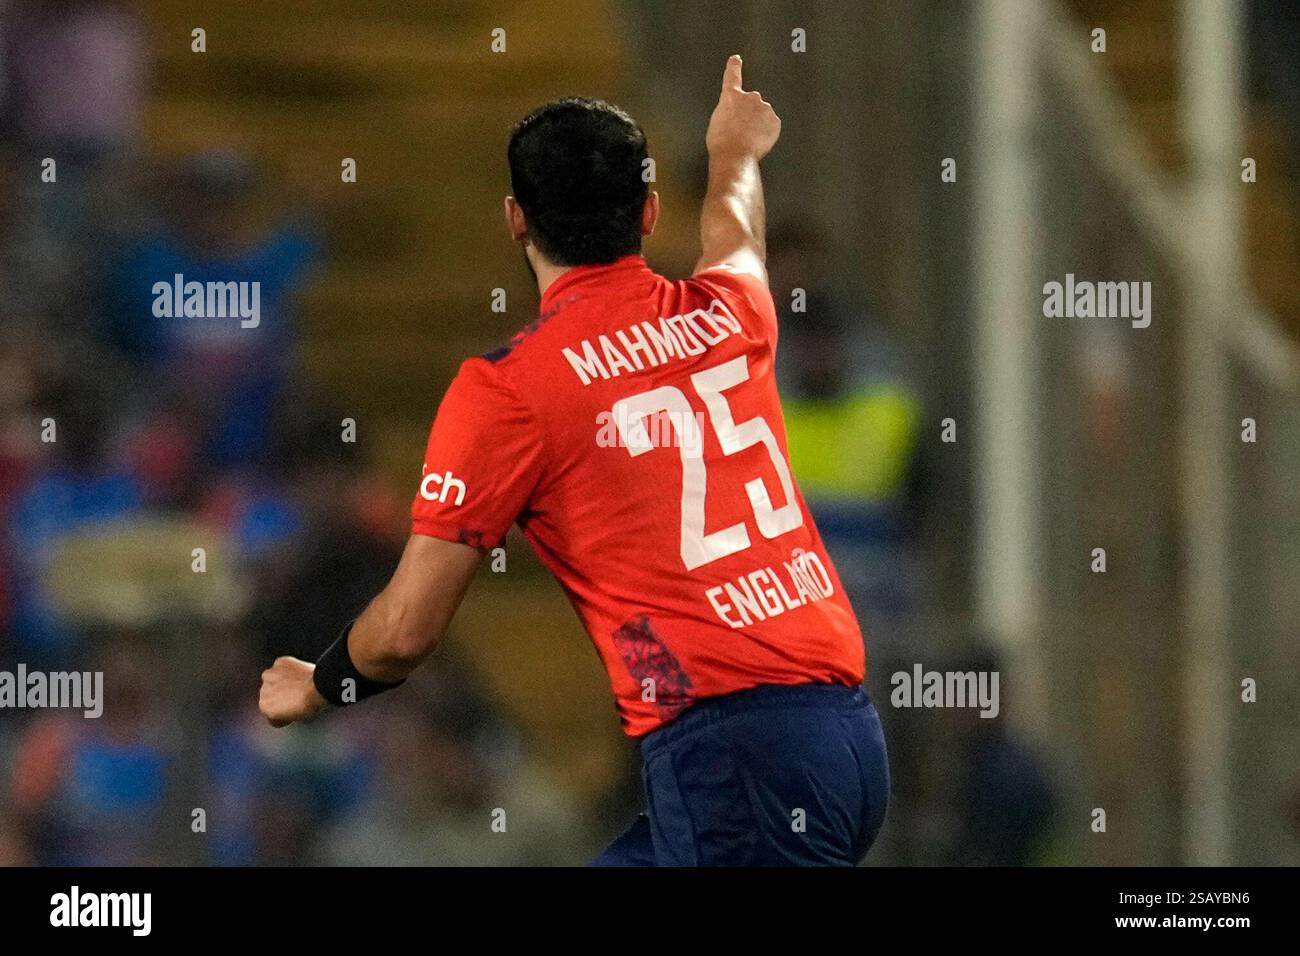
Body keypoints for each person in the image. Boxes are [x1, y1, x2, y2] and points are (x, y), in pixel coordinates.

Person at [259, 56, 889, 866]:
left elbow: (404, 634)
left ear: (516, 219)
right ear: (652, 212)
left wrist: (318, 685)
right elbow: (736, 229)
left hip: (733, 755)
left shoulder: (510, 389)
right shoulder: (730, 310)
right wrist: (735, 153)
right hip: (842, 739)